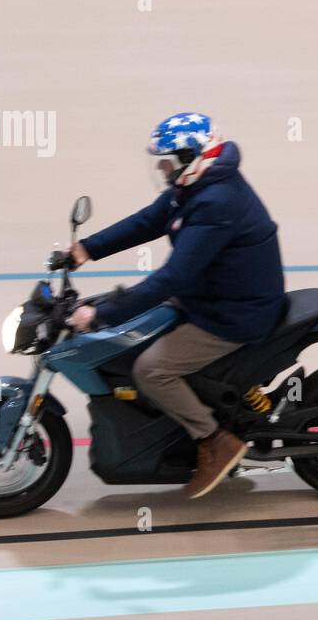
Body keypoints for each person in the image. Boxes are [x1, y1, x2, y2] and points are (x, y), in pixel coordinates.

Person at [68, 112, 287, 496]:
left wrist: (101, 315)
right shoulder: (199, 186)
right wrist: (87, 249)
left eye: (169, 162)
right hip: (210, 296)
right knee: (131, 324)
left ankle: (214, 440)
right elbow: (147, 221)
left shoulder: (216, 202)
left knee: (152, 369)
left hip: (233, 314)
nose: (164, 170)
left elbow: (173, 277)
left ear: (192, 157)